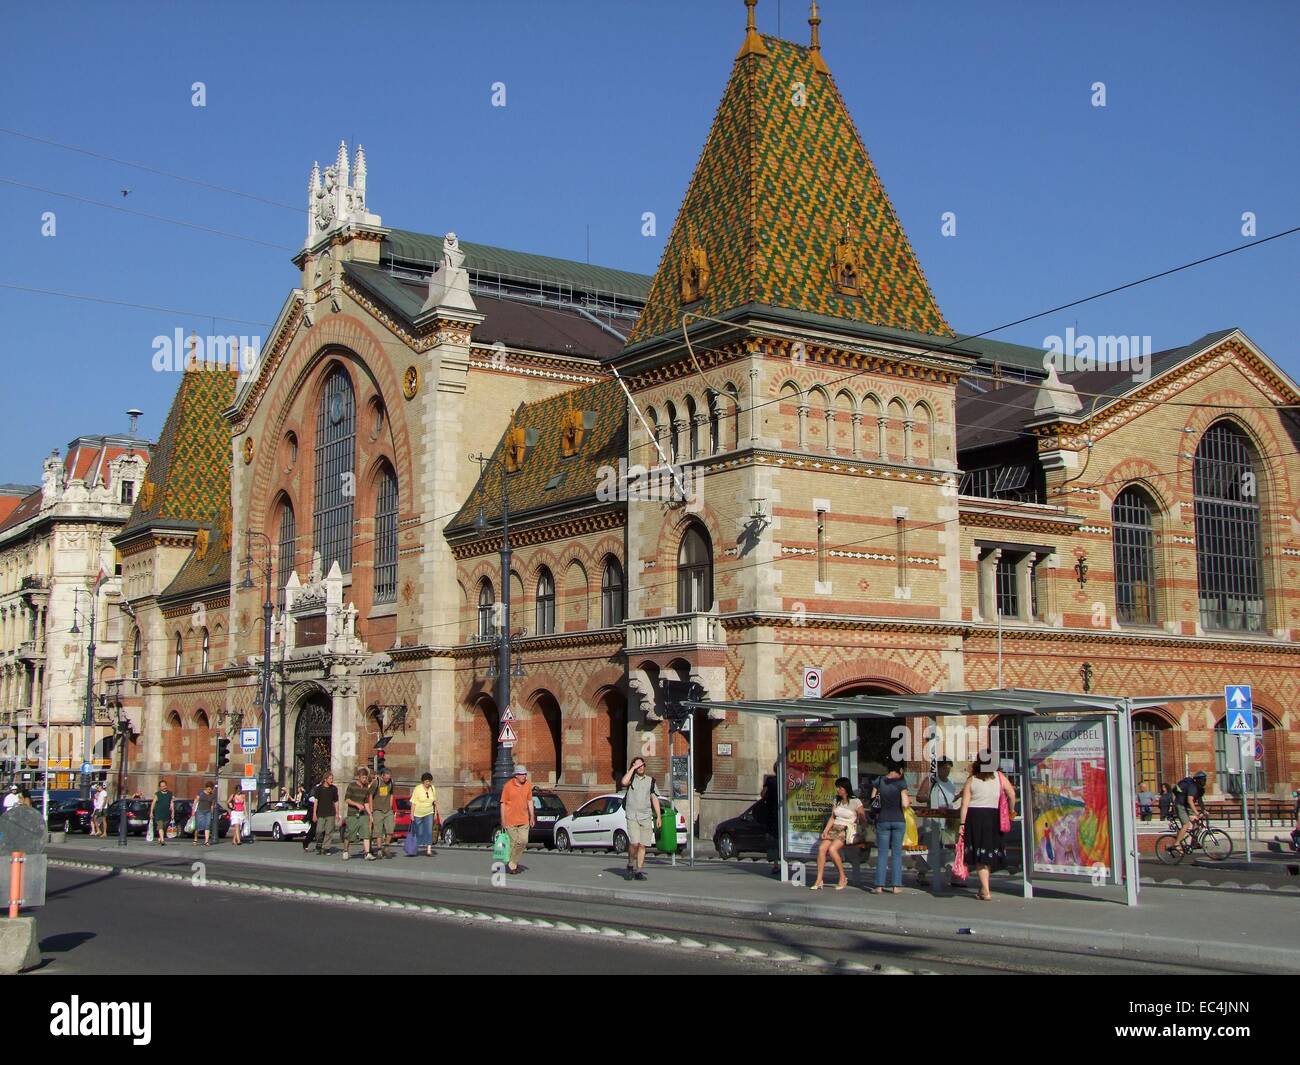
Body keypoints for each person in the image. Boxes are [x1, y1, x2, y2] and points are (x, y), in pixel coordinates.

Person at [959, 757, 1017, 901]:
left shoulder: (972, 780)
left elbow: (964, 805)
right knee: (988, 853)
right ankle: (984, 887)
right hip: (993, 817)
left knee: (980, 856)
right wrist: (1011, 810)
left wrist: (962, 824)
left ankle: (985, 889)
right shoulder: (999, 777)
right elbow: (1012, 794)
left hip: (975, 817)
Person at [810, 777, 864, 891]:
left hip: (846, 829)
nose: (838, 790)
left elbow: (862, 818)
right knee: (821, 848)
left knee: (832, 849)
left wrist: (859, 828)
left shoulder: (856, 802)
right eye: (837, 787)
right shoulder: (836, 800)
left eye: (840, 787)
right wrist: (825, 831)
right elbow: (832, 817)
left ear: (846, 788)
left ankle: (842, 876)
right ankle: (819, 879)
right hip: (834, 828)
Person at [914, 757, 957, 886]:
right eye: (944, 768)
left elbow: (949, 800)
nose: (947, 771)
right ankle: (922, 873)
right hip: (932, 820)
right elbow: (919, 797)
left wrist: (957, 798)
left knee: (949, 848)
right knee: (929, 847)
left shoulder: (951, 783)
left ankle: (951, 873)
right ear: (938, 769)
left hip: (947, 821)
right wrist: (930, 798)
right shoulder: (931, 780)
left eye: (949, 768)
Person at [869, 762, 911, 894]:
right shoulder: (901, 783)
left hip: (883, 820)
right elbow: (905, 804)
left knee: (882, 854)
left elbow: (873, 799)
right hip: (898, 820)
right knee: (897, 854)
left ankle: (879, 886)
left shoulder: (879, 781)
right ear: (899, 770)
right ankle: (896, 886)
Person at [619, 756, 662, 881]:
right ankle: (630, 864)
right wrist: (633, 768)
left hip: (646, 816)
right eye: (637, 766)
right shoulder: (631, 778)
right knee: (634, 843)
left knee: (643, 845)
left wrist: (658, 816)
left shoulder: (651, 781)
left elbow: (654, 798)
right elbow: (623, 782)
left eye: (642, 765)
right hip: (632, 816)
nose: (640, 767)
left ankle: (639, 871)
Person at [499, 765, 534, 875]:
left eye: (525, 774)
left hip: (524, 819)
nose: (525, 776)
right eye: (523, 774)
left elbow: (529, 801)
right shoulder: (508, 786)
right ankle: (512, 865)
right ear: (516, 775)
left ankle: (512, 863)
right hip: (510, 820)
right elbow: (503, 803)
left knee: (523, 841)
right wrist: (503, 819)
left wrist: (532, 816)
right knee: (513, 843)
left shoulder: (528, 785)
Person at [343, 767, 376, 861]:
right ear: (358, 777)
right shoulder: (351, 786)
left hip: (363, 815)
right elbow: (347, 799)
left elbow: (366, 803)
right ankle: (345, 850)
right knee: (350, 834)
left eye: (366, 777)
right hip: (353, 814)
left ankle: (367, 853)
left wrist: (370, 814)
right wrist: (357, 804)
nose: (365, 779)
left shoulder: (366, 788)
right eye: (363, 778)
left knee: (366, 833)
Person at [1171, 771, 1207, 848]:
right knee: (1186, 825)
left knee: (1197, 823)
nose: (1204, 781)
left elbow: (1200, 800)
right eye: (1203, 780)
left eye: (1205, 779)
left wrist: (1204, 810)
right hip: (1180, 805)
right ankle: (1176, 844)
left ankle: (1194, 842)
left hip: (1186, 806)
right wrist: (1197, 813)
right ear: (1198, 780)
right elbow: (1190, 801)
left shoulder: (1199, 789)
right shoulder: (1193, 787)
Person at [309, 772, 340, 855]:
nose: (331, 780)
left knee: (329, 831)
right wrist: (314, 814)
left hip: (330, 813)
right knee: (319, 830)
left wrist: (337, 813)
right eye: (330, 778)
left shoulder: (334, 789)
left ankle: (326, 848)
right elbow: (316, 801)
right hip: (321, 813)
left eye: (332, 778)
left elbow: (336, 801)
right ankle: (319, 842)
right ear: (325, 779)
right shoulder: (319, 789)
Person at [409, 772, 439, 857]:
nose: (428, 783)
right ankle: (414, 847)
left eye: (429, 781)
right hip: (418, 813)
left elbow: (435, 802)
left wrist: (436, 812)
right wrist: (412, 814)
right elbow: (413, 803)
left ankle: (428, 850)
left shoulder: (432, 788)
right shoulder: (418, 789)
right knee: (420, 831)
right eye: (426, 781)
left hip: (429, 812)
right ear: (423, 781)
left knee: (429, 831)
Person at [370, 765, 397, 858]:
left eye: (389, 777)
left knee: (390, 830)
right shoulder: (376, 783)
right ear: (382, 776)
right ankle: (379, 849)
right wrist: (371, 809)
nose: (387, 779)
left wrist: (390, 806)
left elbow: (392, 794)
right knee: (378, 831)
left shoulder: (391, 782)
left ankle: (386, 846)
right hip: (377, 809)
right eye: (386, 777)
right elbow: (370, 796)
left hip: (388, 810)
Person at [149, 779, 175, 847]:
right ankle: (162, 840)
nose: (164, 787)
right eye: (162, 786)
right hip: (158, 813)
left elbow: (172, 803)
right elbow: (153, 803)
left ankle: (160, 838)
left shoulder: (170, 793)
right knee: (160, 826)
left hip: (166, 813)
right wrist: (151, 812)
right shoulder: (157, 794)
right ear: (160, 787)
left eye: (165, 786)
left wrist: (173, 812)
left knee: (164, 827)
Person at [193, 782, 216, 846]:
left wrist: (211, 812)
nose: (210, 790)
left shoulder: (212, 795)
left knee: (207, 825)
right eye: (209, 789)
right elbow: (196, 801)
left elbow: (212, 805)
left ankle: (206, 841)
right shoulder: (201, 792)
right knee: (198, 826)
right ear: (206, 788)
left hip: (208, 812)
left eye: (211, 789)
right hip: (199, 811)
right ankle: (195, 839)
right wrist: (193, 811)